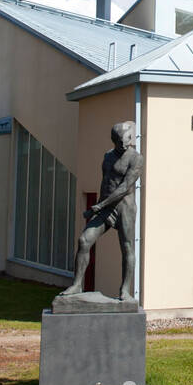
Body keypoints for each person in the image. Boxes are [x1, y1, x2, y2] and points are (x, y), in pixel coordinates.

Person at [60, 120, 142, 301]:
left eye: (126, 140)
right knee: (84, 241)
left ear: (130, 138)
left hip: (124, 208)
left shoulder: (136, 158)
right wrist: (97, 208)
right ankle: (77, 284)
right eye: (119, 141)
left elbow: (125, 188)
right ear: (113, 139)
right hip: (104, 207)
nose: (123, 144)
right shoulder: (108, 156)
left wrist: (99, 206)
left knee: (127, 247)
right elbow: (105, 183)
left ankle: (125, 290)